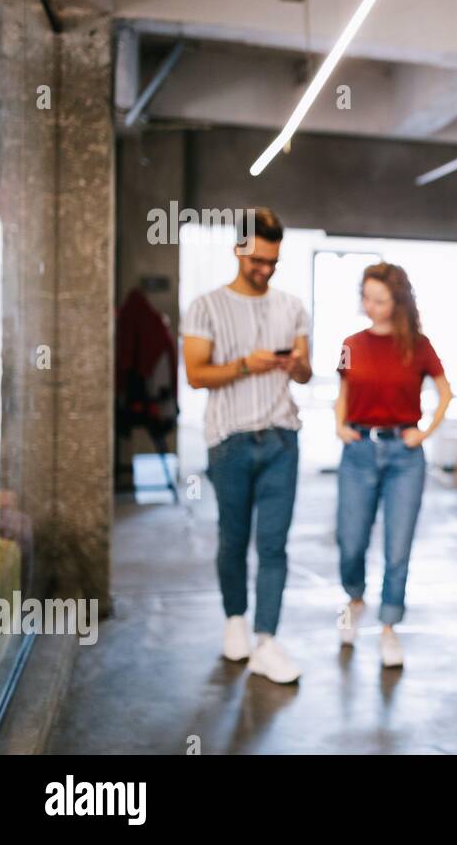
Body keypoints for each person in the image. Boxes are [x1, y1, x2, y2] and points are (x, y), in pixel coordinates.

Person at [183, 208, 312, 685]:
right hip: (229, 441)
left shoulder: (293, 306)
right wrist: (245, 366)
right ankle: (234, 619)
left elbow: (306, 372)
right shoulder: (205, 307)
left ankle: (267, 641)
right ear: (238, 249)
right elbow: (196, 375)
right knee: (233, 539)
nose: (265, 269)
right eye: (257, 259)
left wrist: (295, 365)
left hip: (281, 437)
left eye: (272, 261)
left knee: (274, 545)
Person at [335, 262, 451, 668]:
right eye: (366, 297)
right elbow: (344, 391)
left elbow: (445, 392)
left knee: (397, 547)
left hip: (405, 455)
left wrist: (425, 432)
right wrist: (339, 425)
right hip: (358, 453)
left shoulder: (418, 345)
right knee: (350, 540)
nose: (371, 306)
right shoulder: (351, 342)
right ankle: (353, 599)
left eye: (380, 300)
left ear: (398, 301)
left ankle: (388, 627)